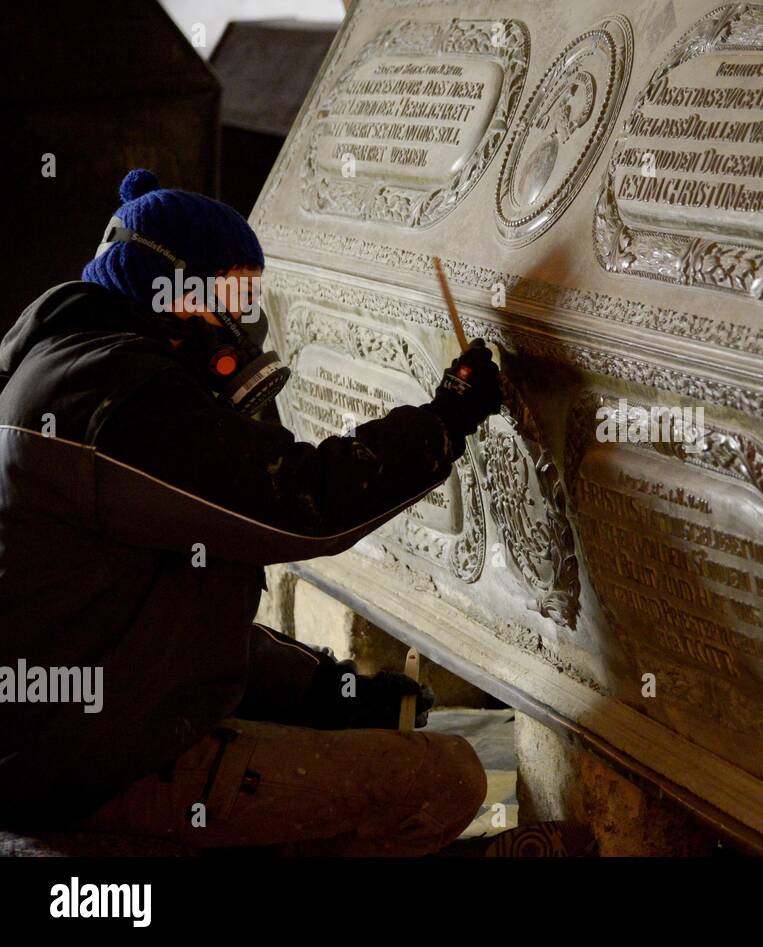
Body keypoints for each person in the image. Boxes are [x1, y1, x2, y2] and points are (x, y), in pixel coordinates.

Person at [0, 169, 501, 854]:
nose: (246, 320)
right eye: (233, 295)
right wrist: (446, 420)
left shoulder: (68, 364)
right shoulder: (116, 395)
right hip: (88, 770)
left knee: (369, 728)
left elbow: (166, 622)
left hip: (71, 737)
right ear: (169, 290)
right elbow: (302, 503)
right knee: (447, 777)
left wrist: (324, 688)